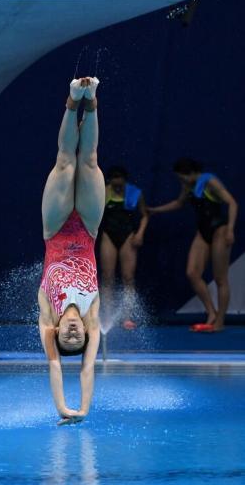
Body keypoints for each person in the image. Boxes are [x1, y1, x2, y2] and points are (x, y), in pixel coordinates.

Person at [38, 77, 103, 426]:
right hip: (88, 229)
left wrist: (63, 407)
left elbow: (54, 365)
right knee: (89, 162)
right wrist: (83, 409)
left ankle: (71, 99)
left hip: (55, 227)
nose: (75, 334)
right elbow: (88, 367)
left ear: (59, 333)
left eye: (69, 338)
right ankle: (90, 100)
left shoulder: (48, 315)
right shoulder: (92, 316)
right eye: (79, 338)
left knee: (66, 162)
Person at [148, 159, 237, 332]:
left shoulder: (210, 180)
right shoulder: (188, 186)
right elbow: (179, 203)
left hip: (220, 229)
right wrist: (155, 210)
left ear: (190, 173)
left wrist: (231, 230)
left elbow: (232, 203)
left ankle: (219, 322)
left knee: (220, 278)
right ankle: (211, 312)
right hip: (203, 232)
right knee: (192, 273)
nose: (180, 181)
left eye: (181, 177)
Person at [98, 166, 149, 329]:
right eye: (115, 184)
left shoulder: (135, 193)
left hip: (128, 236)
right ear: (110, 181)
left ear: (125, 181)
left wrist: (140, 233)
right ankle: (106, 315)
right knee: (107, 277)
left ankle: (127, 316)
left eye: (120, 185)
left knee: (128, 277)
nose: (118, 187)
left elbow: (145, 215)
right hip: (108, 235)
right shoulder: (104, 192)